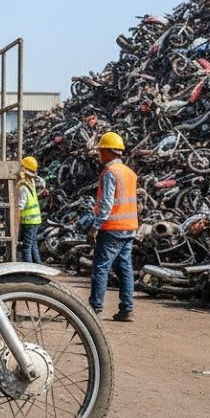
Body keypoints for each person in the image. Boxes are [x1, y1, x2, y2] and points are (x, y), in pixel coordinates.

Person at [87, 131, 138, 322]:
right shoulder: (129, 172)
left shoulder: (110, 173)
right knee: (125, 268)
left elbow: (107, 204)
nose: (99, 154)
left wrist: (94, 227)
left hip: (112, 228)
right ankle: (127, 309)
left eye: (101, 150)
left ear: (109, 151)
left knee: (100, 268)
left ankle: (94, 310)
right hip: (129, 227)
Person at [18, 156, 43, 263]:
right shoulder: (32, 183)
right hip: (36, 220)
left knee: (27, 246)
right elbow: (41, 182)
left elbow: (20, 206)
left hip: (28, 221)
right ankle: (38, 266)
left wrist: (16, 222)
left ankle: (28, 270)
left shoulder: (23, 187)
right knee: (33, 244)